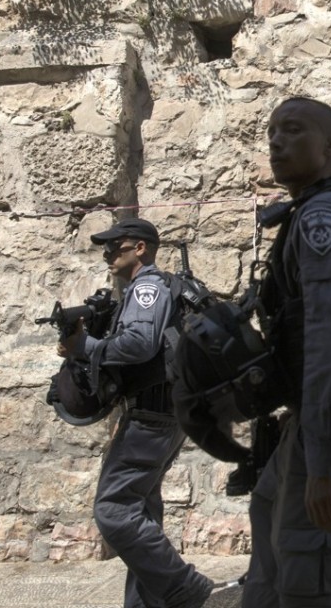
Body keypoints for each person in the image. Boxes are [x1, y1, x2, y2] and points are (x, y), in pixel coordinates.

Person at [241, 97, 331, 608]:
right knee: (268, 546)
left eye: (293, 130)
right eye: (272, 132)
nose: (276, 142)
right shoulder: (317, 210)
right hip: (309, 424)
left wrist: (325, 462)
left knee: (310, 577)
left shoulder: (323, 218)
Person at [58, 217, 214, 608]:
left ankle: (184, 586)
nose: (108, 254)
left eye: (116, 246)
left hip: (152, 415)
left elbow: (139, 344)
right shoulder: (146, 288)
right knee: (142, 508)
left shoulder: (147, 287)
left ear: (140, 248)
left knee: (112, 509)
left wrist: (86, 348)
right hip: (165, 411)